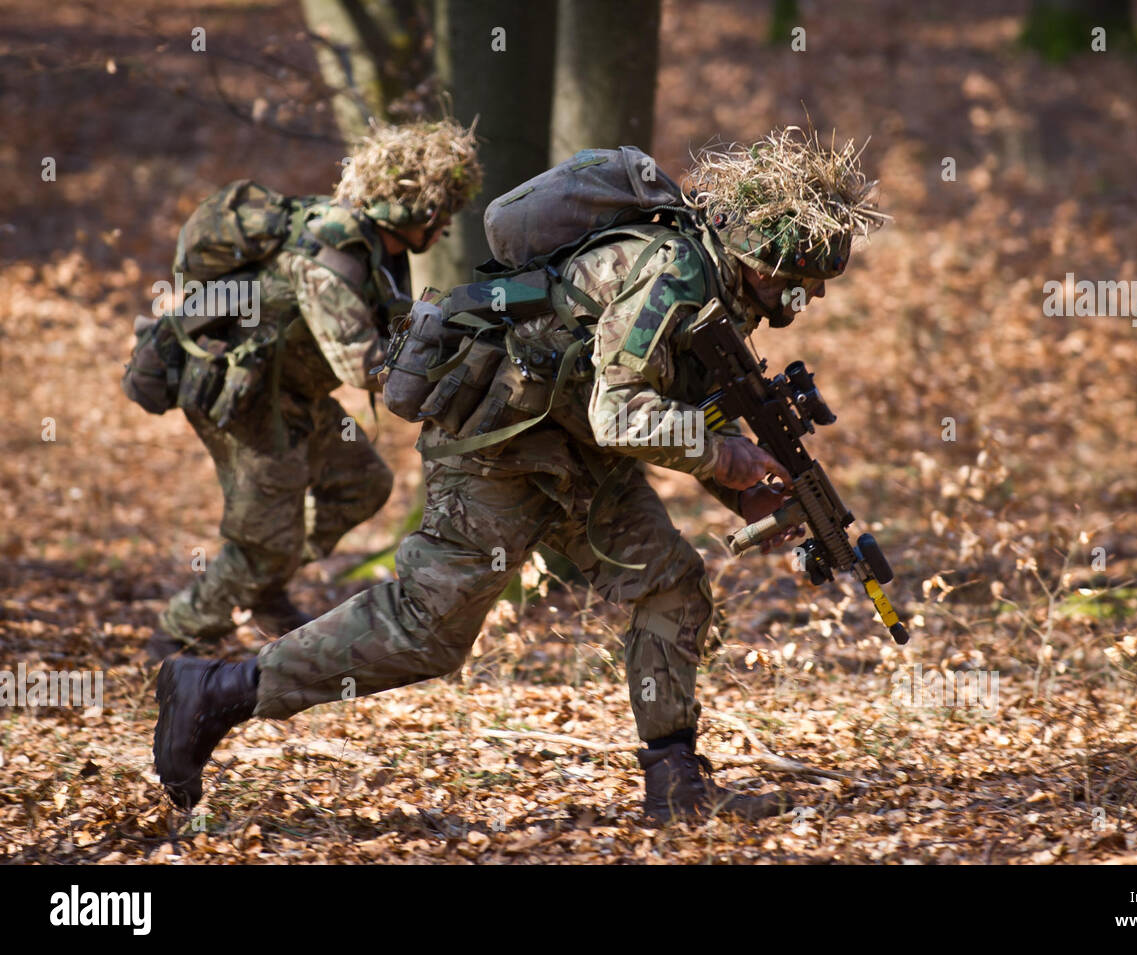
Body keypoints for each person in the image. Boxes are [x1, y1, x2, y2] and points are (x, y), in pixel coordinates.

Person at [153, 125, 886, 824]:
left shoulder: (713, 284)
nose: (809, 297)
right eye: (803, 279)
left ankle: (674, 780)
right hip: (499, 443)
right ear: (765, 258)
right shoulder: (671, 275)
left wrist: (743, 487)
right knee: (428, 630)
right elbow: (622, 412)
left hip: (575, 455)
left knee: (668, 583)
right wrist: (725, 457)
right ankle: (215, 688)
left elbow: (673, 407)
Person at [149, 121, 482, 658]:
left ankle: (264, 585)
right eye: (440, 213)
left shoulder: (379, 249)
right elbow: (364, 366)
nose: (444, 227)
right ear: (411, 209)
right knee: (266, 538)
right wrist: (454, 384)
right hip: (241, 397)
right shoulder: (333, 255)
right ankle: (179, 633)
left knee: (362, 484)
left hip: (291, 390)